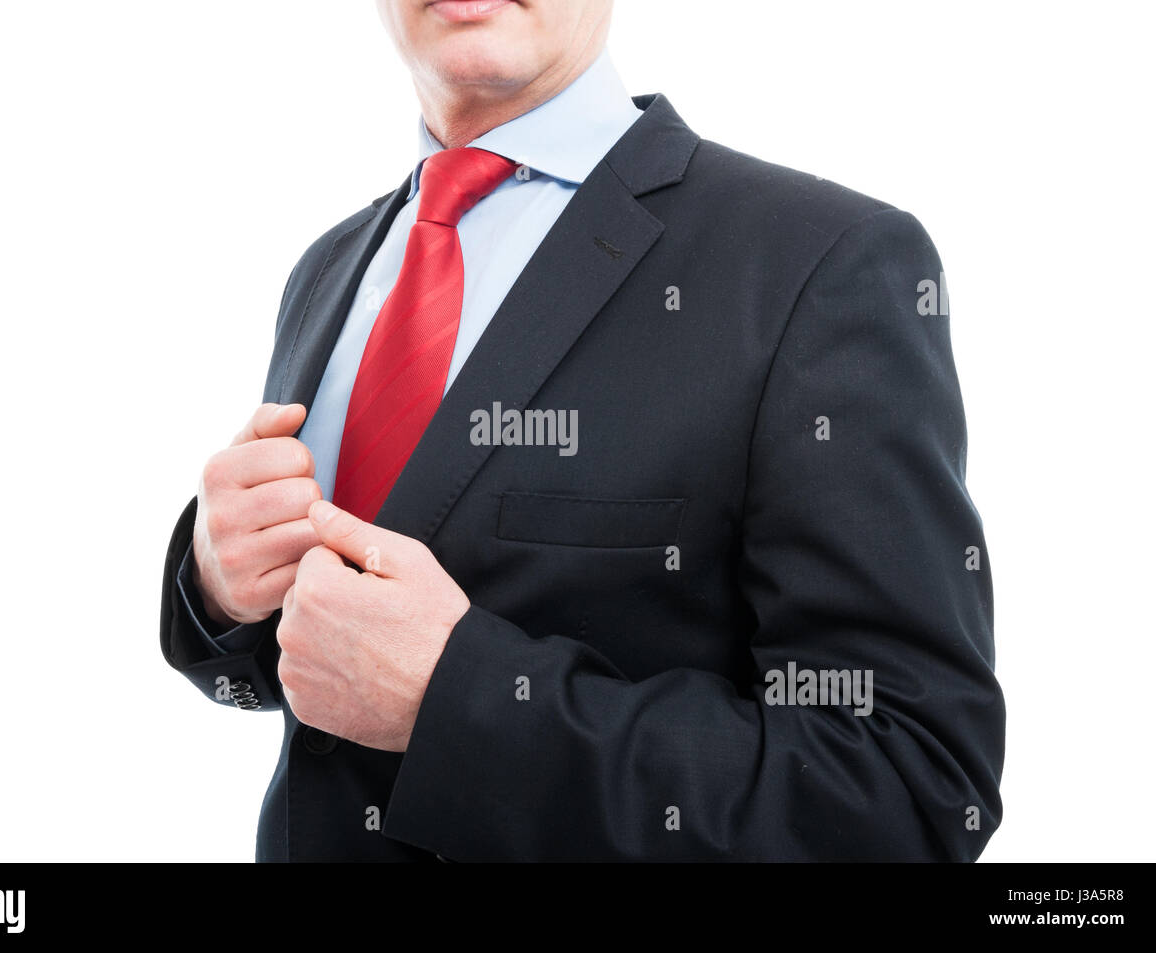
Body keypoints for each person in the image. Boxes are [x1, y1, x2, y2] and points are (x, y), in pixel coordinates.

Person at [159, 0, 1005, 861]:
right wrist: (221, 586)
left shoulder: (817, 265)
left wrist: (459, 701)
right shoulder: (330, 265)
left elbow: (908, 789)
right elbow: (320, 673)